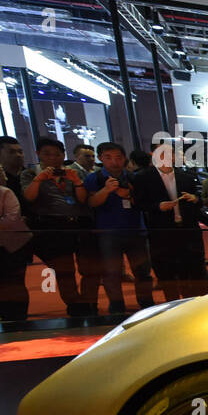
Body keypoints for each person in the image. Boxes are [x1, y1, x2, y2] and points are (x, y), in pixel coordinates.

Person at [21, 136, 96, 317]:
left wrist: (76, 181)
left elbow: (82, 199)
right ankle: (76, 307)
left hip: (79, 224)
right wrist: (39, 180)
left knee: (90, 268)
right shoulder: (30, 174)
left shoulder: (73, 172)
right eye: (47, 154)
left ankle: (90, 304)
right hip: (52, 227)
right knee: (65, 271)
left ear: (63, 155)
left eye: (57, 154)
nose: (53, 158)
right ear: (38, 154)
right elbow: (28, 198)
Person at [133, 140, 208, 300]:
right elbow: (139, 203)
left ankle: (198, 304)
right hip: (162, 232)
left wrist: (195, 199)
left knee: (194, 270)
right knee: (166, 272)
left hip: (188, 230)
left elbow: (200, 200)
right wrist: (158, 206)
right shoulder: (143, 177)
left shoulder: (187, 176)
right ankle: (173, 305)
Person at [83, 142, 153, 314]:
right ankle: (116, 305)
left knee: (143, 271)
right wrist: (106, 191)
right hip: (108, 233)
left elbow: (144, 204)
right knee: (111, 273)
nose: (114, 162)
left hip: (136, 230)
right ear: (100, 158)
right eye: (108, 157)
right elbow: (91, 203)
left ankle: (146, 303)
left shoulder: (133, 177)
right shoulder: (94, 178)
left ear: (124, 158)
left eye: (118, 157)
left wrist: (129, 194)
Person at [0, 180, 31, 322]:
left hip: (13, 245)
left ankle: (18, 318)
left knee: (14, 282)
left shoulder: (5, 192)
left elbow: (12, 219)